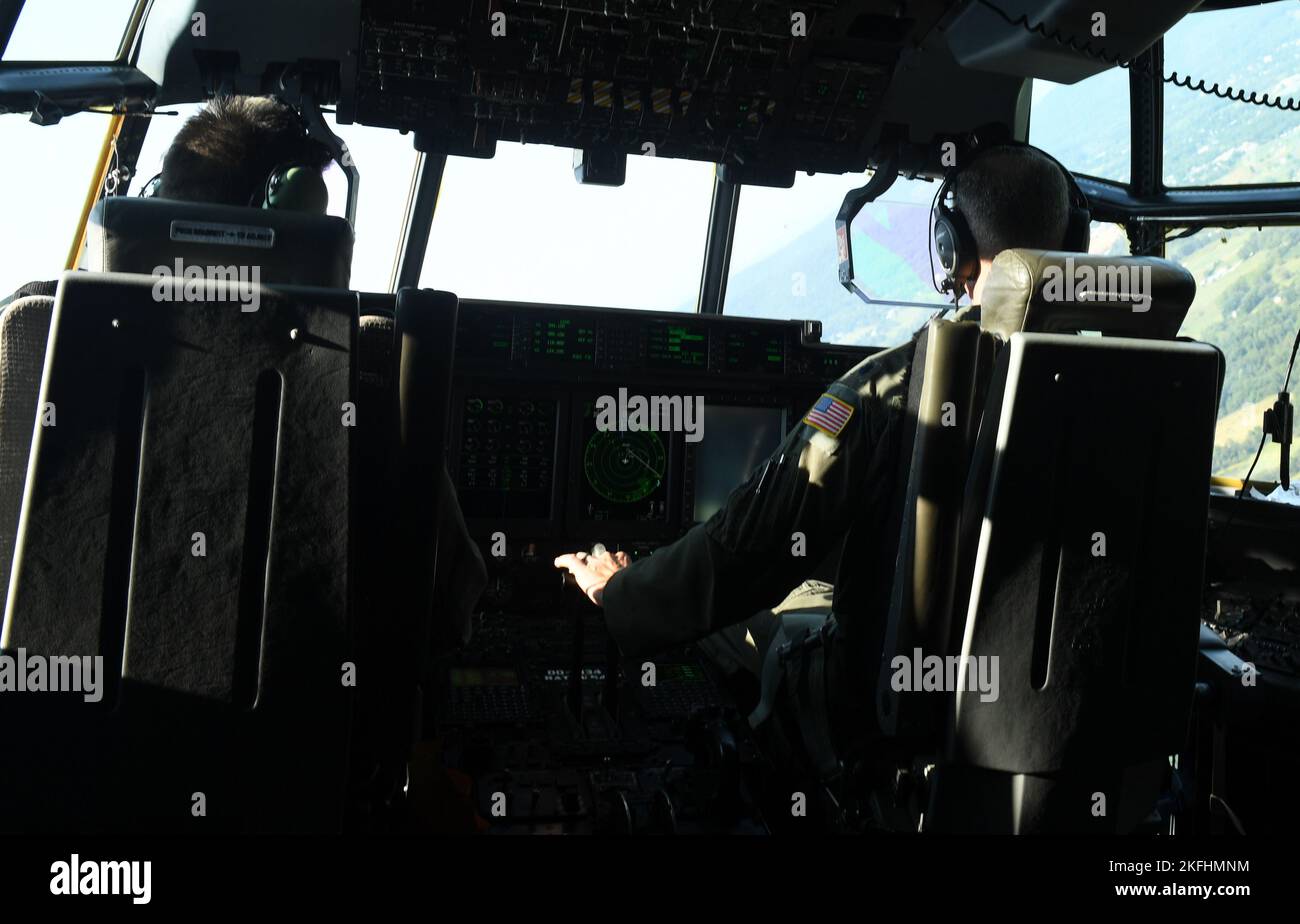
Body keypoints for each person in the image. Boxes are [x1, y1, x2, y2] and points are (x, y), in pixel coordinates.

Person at [554, 143, 1073, 722]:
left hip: (896, 730)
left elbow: (747, 553)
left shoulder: (896, 389)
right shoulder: (1126, 381)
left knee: (765, 608)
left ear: (953, 249)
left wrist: (621, 591)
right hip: (1067, 718)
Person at [0, 95, 486, 642]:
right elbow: (452, 599)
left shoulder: (34, 331)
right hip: (316, 726)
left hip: (51, 725)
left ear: (163, 199)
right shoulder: (373, 364)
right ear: (304, 213)